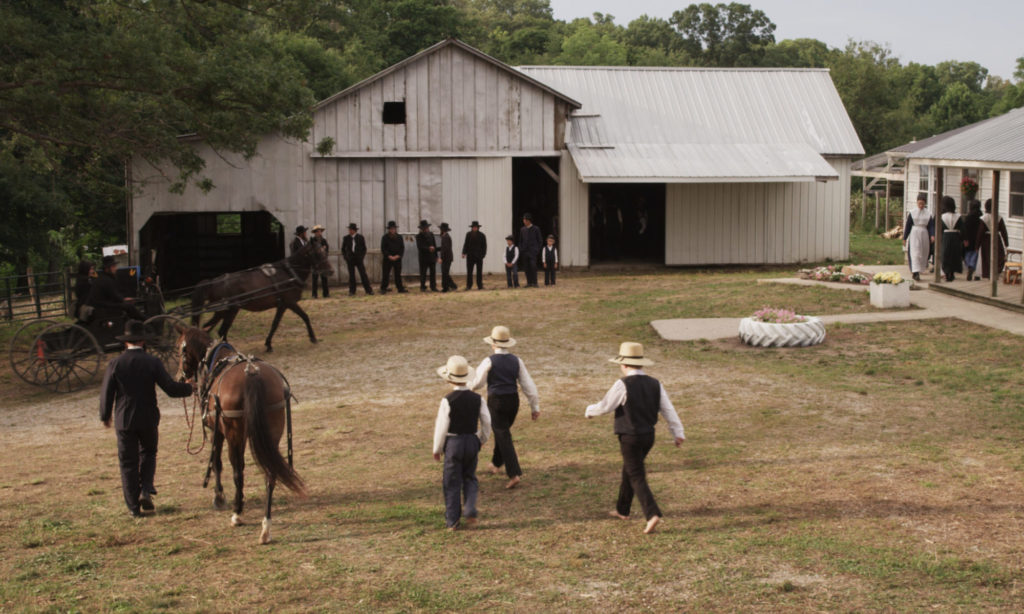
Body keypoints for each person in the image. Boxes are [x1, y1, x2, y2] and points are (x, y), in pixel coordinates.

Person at [585, 342, 685, 535]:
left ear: (623, 364)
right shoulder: (655, 384)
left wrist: (589, 411)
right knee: (630, 469)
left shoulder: (623, 384)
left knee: (636, 474)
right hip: (648, 436)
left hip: (630, 437)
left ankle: (652, 513)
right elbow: (668, 409)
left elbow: (606, 406)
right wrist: (678, 432)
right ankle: (622, 509)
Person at [100, 320, 194, 517]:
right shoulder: (153, 362)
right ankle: (146, 489)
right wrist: (189, 387)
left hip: (124, 419)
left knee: (128, 462)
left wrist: (105, 415)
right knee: (149, 453)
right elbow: (170, 389)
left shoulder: (115, 363)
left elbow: (107, 393)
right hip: (148, 417)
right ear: (142, 341)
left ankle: (134, 508)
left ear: (125, 342)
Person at [468, 325, 540, 490]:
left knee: (503, 435)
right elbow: (528, 385)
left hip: (496, 401)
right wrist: (534, 407)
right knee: (503, 432)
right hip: (513, 401)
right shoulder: (517, 361)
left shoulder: (489, 361)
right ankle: (496, 463)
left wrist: (467, 388)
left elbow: (477, 382)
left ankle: (514, 473)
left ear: (493, 344)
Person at [433, 355, 492, 531]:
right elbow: (487, 421)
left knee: (451, 482)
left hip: (453, 443)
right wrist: (481, 439)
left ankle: (453, 521)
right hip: (472, 440)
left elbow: (441, 426)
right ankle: (470, 508)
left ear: (449, 379)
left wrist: (437, 448)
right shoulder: (478, 399)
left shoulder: (447, 400)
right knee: (470, 477)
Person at [89, 256, 145, 321]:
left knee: (127, 304)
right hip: (104, 307)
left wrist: (123, 299)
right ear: (107, 269)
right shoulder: (107, 280)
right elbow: (114, 296)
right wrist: (124, 300)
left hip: (102, 305)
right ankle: (145, 320)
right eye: (113, 267)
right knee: (129, 306)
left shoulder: (102, 278)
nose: (115, 269)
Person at [902, 193, 934, 281]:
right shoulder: (912, 213)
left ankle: (919, 270)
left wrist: (932, 235)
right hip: (914, 233)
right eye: (919, 203)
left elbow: (931, 226)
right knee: (915, 252)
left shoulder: (928, 213)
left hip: (924, 233)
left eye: (922, 204)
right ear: (917, 202)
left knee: (923, 252)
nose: (921, 205)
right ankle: (915, 272)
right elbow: (908, 226)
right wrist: (905, 237)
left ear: (925, 203)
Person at [978, 198, 1008, 280]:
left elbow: (980, 233)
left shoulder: (983, 218)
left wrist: (977, 245)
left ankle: (988, 274)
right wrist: (1006, 243)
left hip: (986, 239)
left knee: (987, 257)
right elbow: (1003, 231)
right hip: (996, 238)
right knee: (999, 256)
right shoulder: (999, 218)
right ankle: (996, 272)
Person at [341, 223, 373, 296]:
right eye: (349, 230)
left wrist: (361, 257)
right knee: (351, 275)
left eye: (351, 230)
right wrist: (346, 257)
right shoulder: (346, 238)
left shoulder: (360, 237)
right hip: (350, 259)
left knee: (363, 274)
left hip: (359, 259)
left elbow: (364, 248)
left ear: (355, 230)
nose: (350, 231)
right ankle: (352, 291)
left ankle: (368, 290)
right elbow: (343, 249)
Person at [938, 196, 963, 282]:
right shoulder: (958, 216)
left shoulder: (942, 217)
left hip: (946, 237)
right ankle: (952, 273)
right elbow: (962, 228)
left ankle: (947, 272)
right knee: (954, 255)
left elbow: (940, 228)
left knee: (946, 255)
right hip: (955, 237)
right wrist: (963, 238)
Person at [380, 221, 408, 294]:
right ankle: (383, 288)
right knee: (386, 274)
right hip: (388, 258)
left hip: (397, 258)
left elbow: (402, 248)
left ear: (395, 229)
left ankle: (400, 288)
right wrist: (388, 256)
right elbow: (383, 248)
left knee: (398, 274)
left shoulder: (399, 237)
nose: (392, 230)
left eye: (394, 229)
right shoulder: (385, 237)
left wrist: (398, 255)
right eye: (391, 229)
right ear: (389, 229)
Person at [518, 213, 543, 288]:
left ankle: (535, 283)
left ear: (528, 221)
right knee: (526, 267)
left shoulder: (536, 229)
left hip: (533, 252)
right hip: (525, 252)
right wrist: (521, 249)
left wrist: (537, 250)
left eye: (524, 220)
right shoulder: (522, 229)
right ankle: (529, 283)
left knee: (533, 266)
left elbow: (540, 241)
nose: (523, 221)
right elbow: (520, 241)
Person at [462, 221, 487, 290]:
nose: (474, 228)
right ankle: (469, 285)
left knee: (479, 272)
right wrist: (464, 252)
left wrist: (483, 255)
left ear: (478, 228)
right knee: (469, 272)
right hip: (470, 256)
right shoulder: (468, 234)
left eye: (476, 227)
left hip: (479, 257)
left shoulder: (482, 235)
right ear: (472, 228)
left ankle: (480, 285)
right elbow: (466, 244)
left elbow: (484, 246)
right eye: (473, 227)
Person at [962, 200, 983, 281]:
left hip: (969, 238)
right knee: (975, 254)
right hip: (978, 238)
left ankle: (969, 266)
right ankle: (972, 266)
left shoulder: (968, 217)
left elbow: (965, 229)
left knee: (968, 254)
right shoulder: (981, 216)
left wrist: (965, 239)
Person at [416, 220, 438, 292]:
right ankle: (422, 287)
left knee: (433, 273)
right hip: (423, 258)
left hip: (432, 257)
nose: (426, 229)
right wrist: (428, 248)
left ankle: (433, 287)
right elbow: (420, 247)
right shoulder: (418, 236)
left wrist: (436, 256)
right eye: (424, 228)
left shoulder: (431, 234)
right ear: (422, 229)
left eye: (427, 228)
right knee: (423, 273)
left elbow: (434, 245)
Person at [309, 225, 330, 298]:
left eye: (320, 231)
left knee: (324, 278)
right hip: (315, 262)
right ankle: (314, 294)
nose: (319, 233)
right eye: (317, 231)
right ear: (315, 233)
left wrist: (323, 251)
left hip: (322, 262)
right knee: (315, 279)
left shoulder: (324, 240)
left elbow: (326, 250)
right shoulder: (312, 241)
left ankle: (326, 293)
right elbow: (311, 251)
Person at [437, 223, 458, 292]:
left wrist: (441, 258)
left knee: (445, 273)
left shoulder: (445, 237)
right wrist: (436, 249)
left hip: (446, 258)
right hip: (447, 257)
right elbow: (443, 248)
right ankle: (453, 286)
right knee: (445, 273)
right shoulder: (445, 236)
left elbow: (445, 249)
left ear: (442, 230)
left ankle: (446, 288)